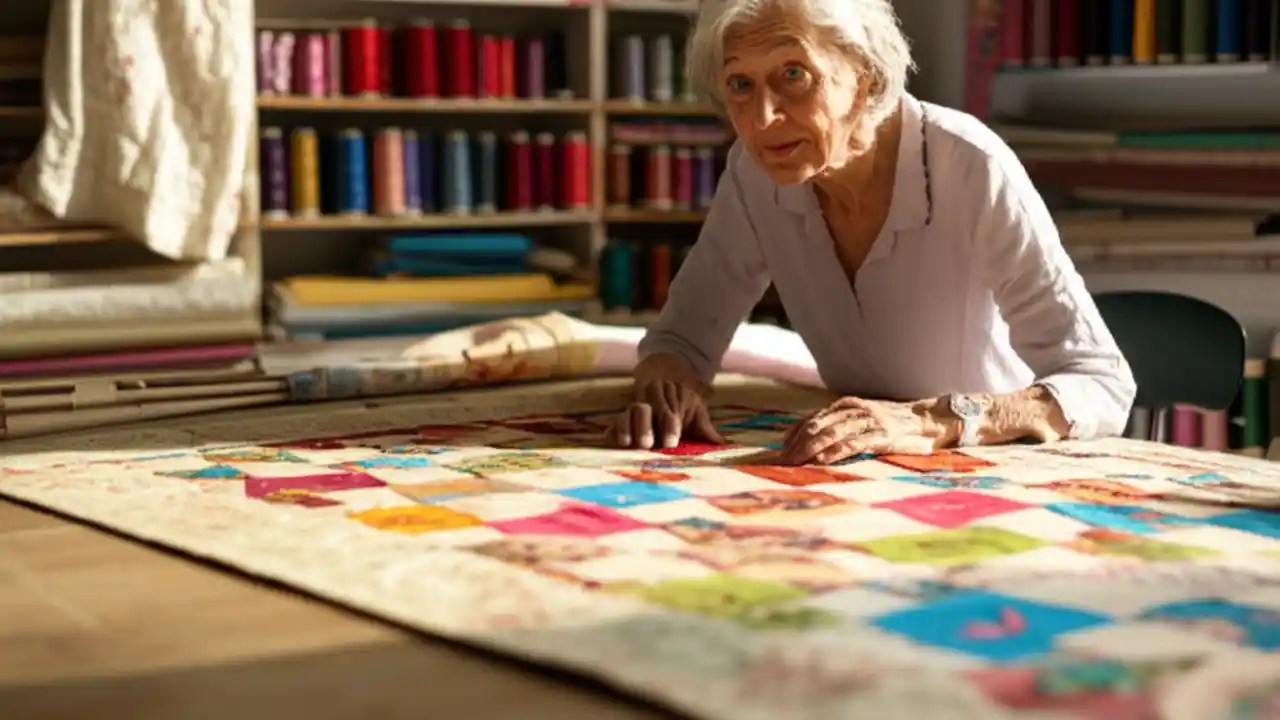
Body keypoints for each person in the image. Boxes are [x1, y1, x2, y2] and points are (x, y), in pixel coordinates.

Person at [604, 0, 1136, 464]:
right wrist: (668, 390)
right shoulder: (754, 174)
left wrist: (930, 421)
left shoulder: (968, 164)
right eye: (740, 84)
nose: (763, 117)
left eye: (794, 74)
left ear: (863, 73)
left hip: (997, 465)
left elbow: (1100, 382)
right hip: (863, 466)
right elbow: (682, 337)